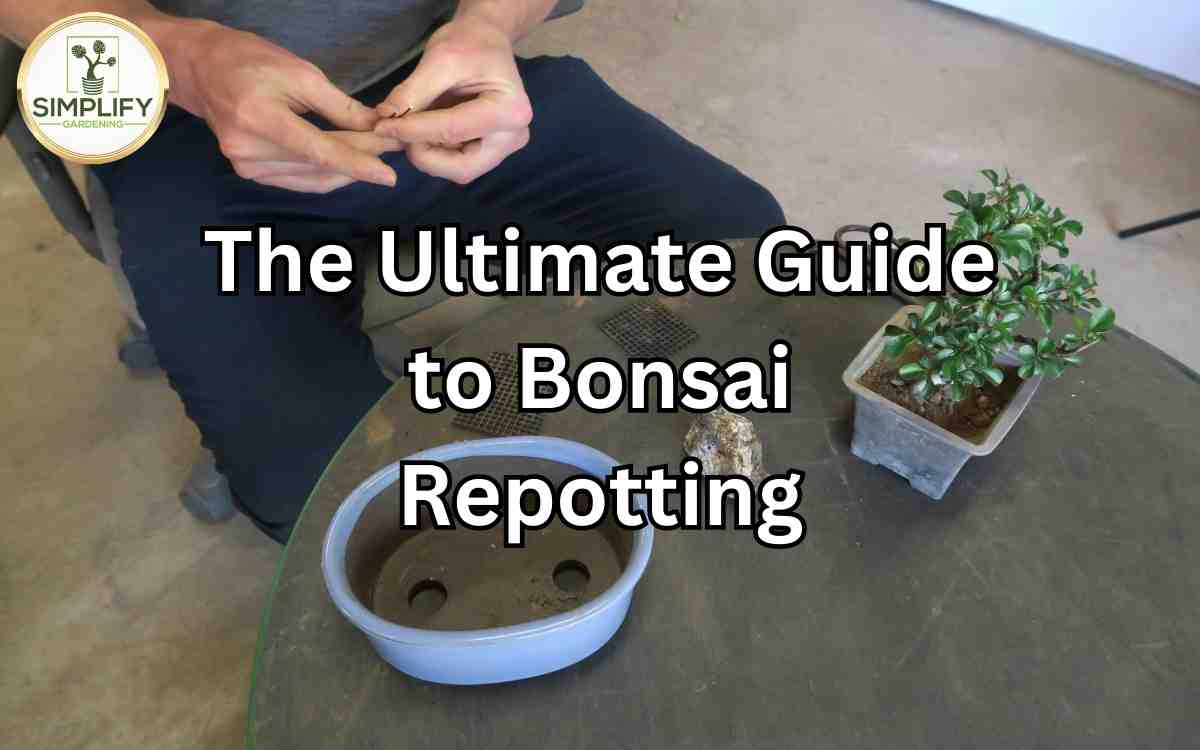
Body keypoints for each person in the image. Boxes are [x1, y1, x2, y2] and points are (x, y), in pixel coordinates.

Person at [1, 0, 784, 542]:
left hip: (438, 80)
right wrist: (187, 56)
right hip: (185, 125)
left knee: (746, 261)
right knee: (322, 500)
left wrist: (488, 23)